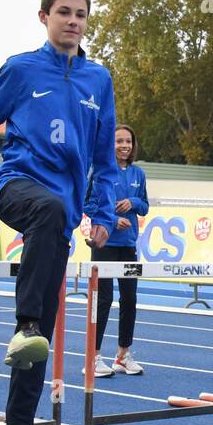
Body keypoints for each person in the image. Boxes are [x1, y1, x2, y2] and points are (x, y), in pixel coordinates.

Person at [0, 0, 117, 425]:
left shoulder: (99, 81)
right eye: (63, 12)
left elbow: (105, 160)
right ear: (44, 17)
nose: (73, 21)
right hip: (16, 187)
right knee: (45, 217)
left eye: (81, 14)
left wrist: (103, 214)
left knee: (44, 331)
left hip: (61, 217)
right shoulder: (22, 69)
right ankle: (23, 325)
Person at [88, 124, 148, 378]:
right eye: (119, 141)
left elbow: (144, 206)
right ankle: (93, 356)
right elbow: (87, 203)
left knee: (130, 300)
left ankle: (123, 355)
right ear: (110, 145)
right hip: (104, 244)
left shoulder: (138, 173)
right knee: (103, 301)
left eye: (128, 141)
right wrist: (112, 218)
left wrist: (133, 202)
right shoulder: (99, 171)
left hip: (128, 246)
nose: (125, 146)